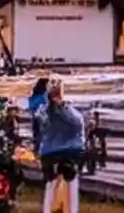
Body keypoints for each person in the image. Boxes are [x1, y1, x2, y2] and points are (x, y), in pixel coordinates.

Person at [37, 78, 85, 213]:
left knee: (50, 183)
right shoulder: (69, 111)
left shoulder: (42, 112)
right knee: (71, 183)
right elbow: (78, 126)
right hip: (69, 152)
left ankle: (46, 210)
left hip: (48, 153)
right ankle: (72, 210)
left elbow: (38, 131)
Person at [27, 78, 50, 152]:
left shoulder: (35, 95)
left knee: (37, 135)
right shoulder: (44, 96)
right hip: (41, 118)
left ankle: (37, 150)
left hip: (36, 116)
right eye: (47, 85)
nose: (48, 86)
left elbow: (31, 106)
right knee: (39, 135)